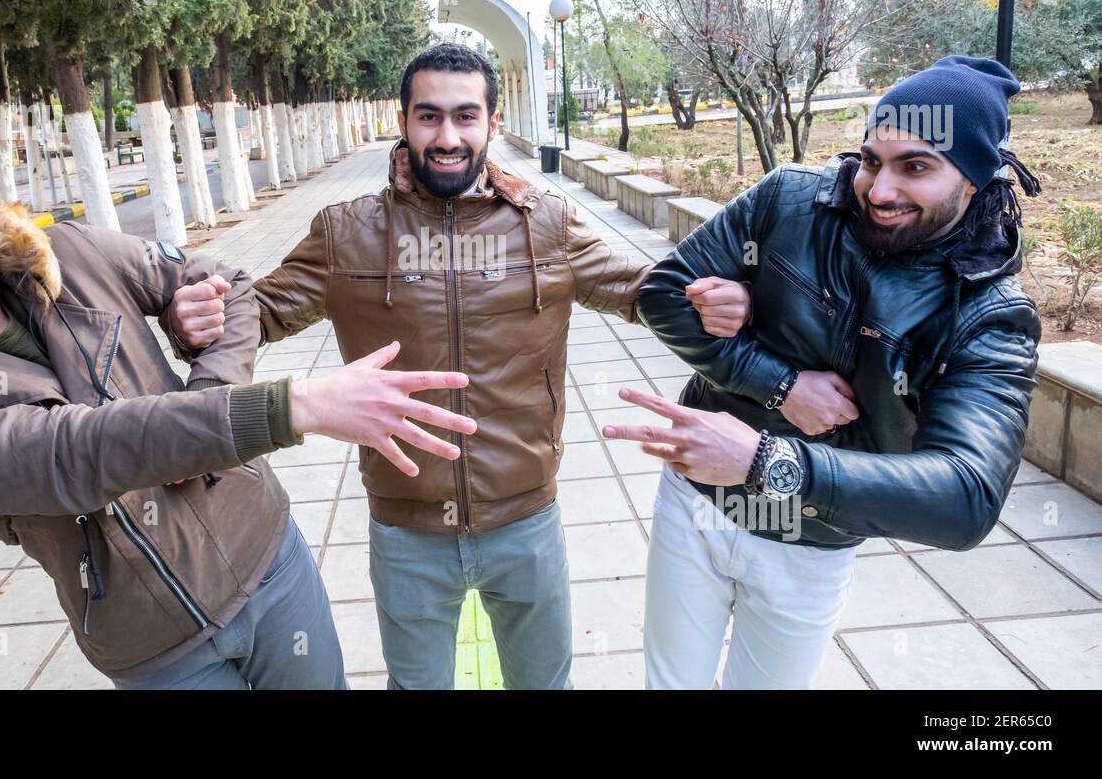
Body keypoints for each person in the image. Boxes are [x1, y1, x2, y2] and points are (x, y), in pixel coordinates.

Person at [0, 139, 475, 689]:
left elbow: (228, 288)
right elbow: (70, 455)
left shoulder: (69, 256)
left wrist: (200, 361)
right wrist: (289, 407)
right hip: (156, 647)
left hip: (270, 558)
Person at [252, 42, 749, 688]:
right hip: (407, 531)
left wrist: (719, 298)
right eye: (429, 116)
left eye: (466, 116)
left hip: (527, 525)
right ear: (402, 122)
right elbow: (256, 312)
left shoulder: (547, 224)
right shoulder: (346, 232)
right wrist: (190, 309)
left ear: (492, 120)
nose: (448, 135)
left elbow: (645, 291)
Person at [607, 55, 1043, 689]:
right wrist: (776, 381)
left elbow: (965, 497)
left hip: (811, 543)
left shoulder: (990, 314)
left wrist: (765, 462)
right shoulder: (791, 200)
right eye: (871, 160)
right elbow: (665, 292)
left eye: (916, 166)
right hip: (694, 502)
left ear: (976, 179)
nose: (881, 189)